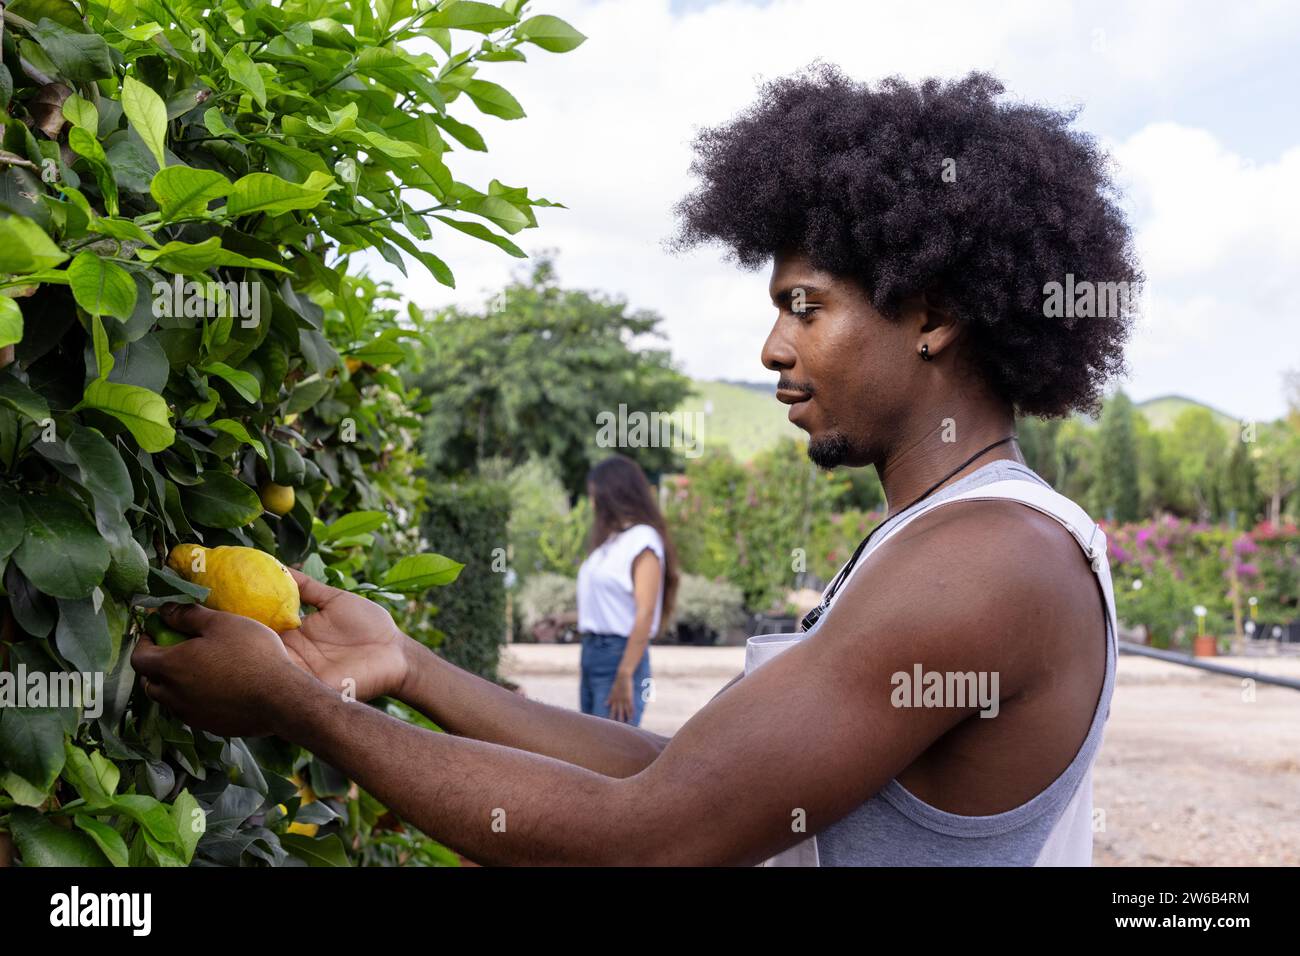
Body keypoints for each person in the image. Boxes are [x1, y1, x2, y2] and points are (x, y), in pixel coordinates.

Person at [133, 67, 1139, 866]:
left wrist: (295, 705)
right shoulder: (943, 539)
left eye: (804, 305)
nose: (771, 350)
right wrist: (408, 667)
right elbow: (674, 777)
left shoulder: (988, 563)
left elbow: (651, 838)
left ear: (932, 314)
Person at [534, 455, 678, 726]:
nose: (592, 503)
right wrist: (563, 619)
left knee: (611, 760)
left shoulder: (643, 540)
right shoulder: (611, 542)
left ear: (613, 495)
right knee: (592, 753)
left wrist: (625, 674)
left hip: (619, 657)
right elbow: (613, 607)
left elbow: (645, 613)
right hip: (592, 654)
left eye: (594, 495)